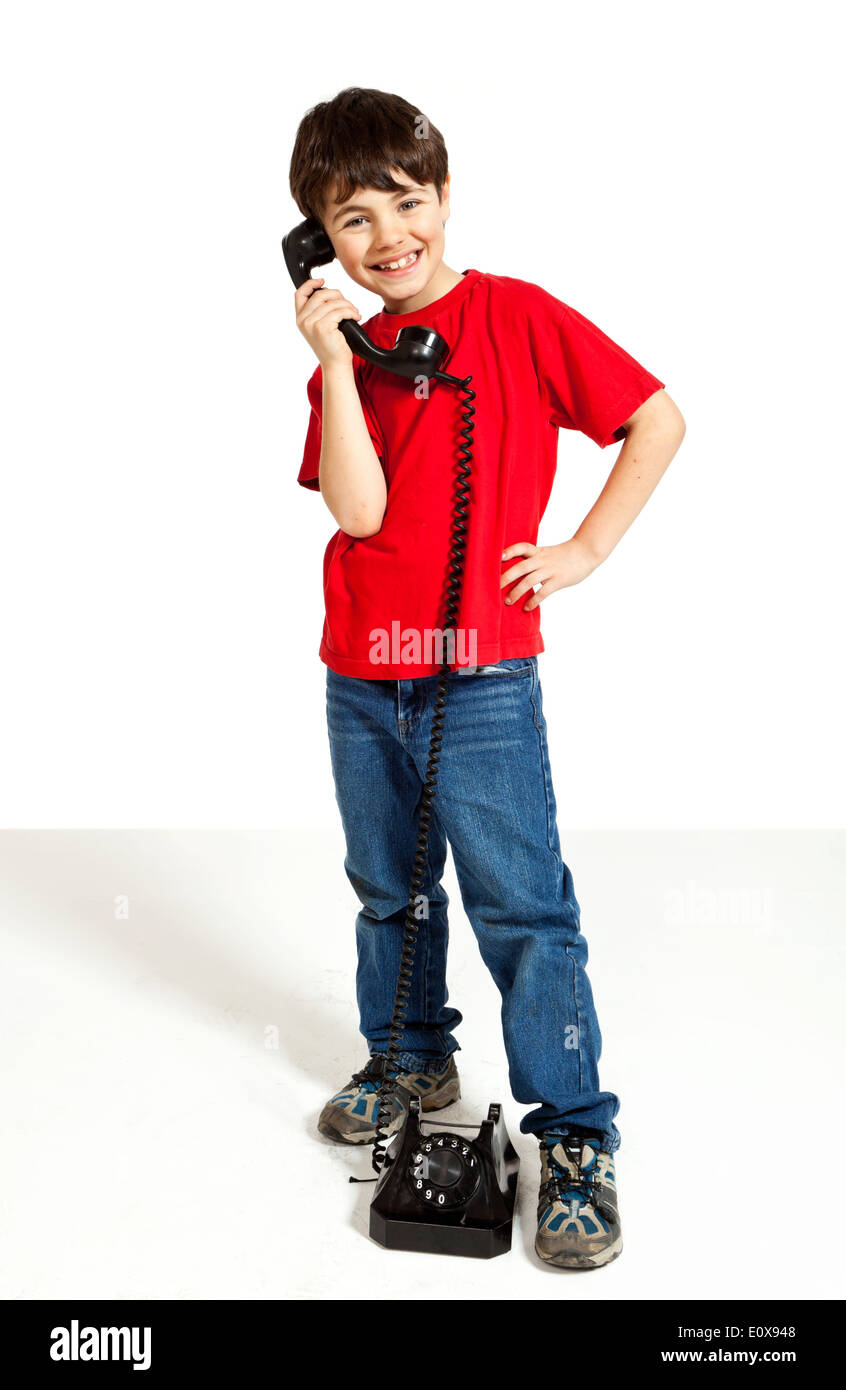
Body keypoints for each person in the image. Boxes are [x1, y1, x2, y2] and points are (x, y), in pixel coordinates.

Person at [289, 87, 685, 1270]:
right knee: (387, 887)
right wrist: (338, 361)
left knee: (520, 903)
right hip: (365, 676)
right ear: (319, 239)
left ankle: (573, 1131)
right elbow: (360, 510)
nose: (387, 237)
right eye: (352, 220)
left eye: (408, 203)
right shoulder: (342, 369)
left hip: (483, 677)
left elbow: (655, 417)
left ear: (446, 197)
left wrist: (584, 548)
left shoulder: (517, 318)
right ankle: (413, 1050)